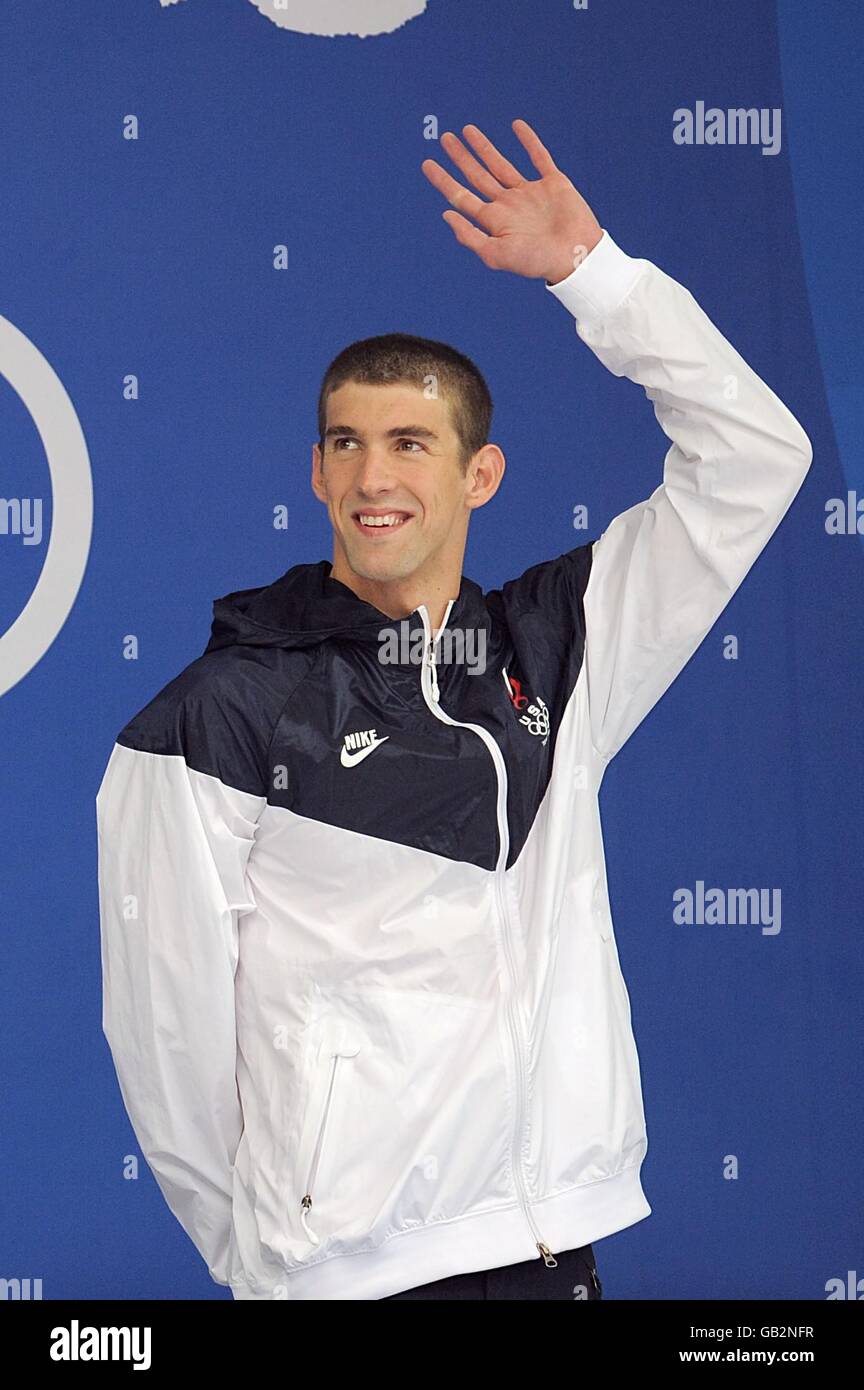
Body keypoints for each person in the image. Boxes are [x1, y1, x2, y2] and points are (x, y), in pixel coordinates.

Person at [95, 119, 812, 1301]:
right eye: (349, 444)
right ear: (317, 472)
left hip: (556, 1252)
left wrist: (601, 277)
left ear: (481, 476)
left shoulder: (563, 647)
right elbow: (166, 1041)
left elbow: (755, 458)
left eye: (412, 444)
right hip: (345, 1282)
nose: (376, 478)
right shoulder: (214, 715)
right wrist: (270, 1266)